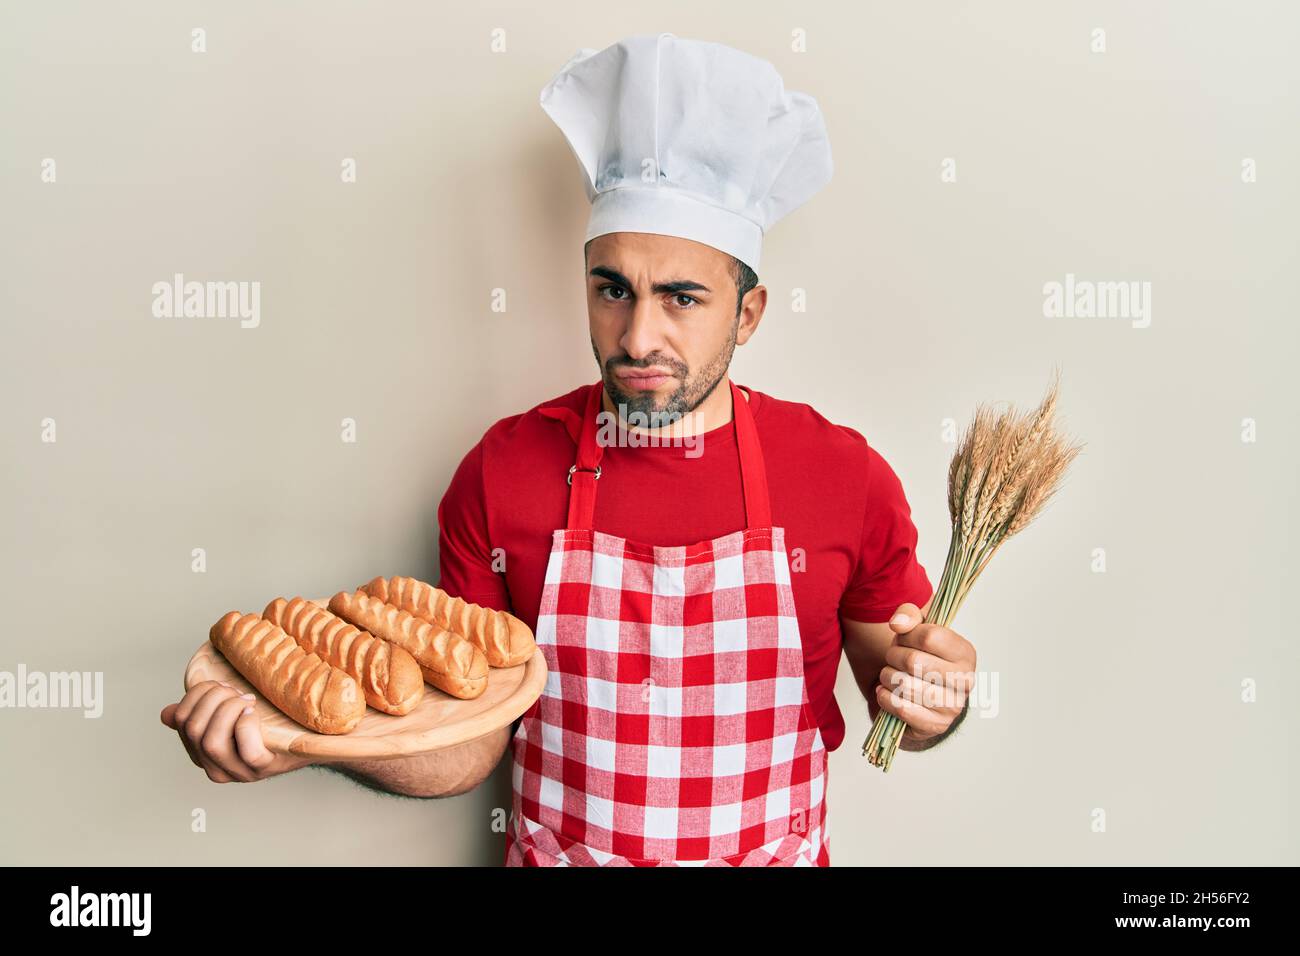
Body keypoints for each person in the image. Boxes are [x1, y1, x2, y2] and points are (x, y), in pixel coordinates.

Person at [161, 32, 977, 867]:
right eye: (612, 289)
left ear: (749, 313)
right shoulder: (503, 472)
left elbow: (902, 716)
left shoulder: (842, 476)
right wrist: (301, 742)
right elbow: (468, 748)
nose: (637, 336)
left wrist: (937, 701)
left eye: (682, 299)